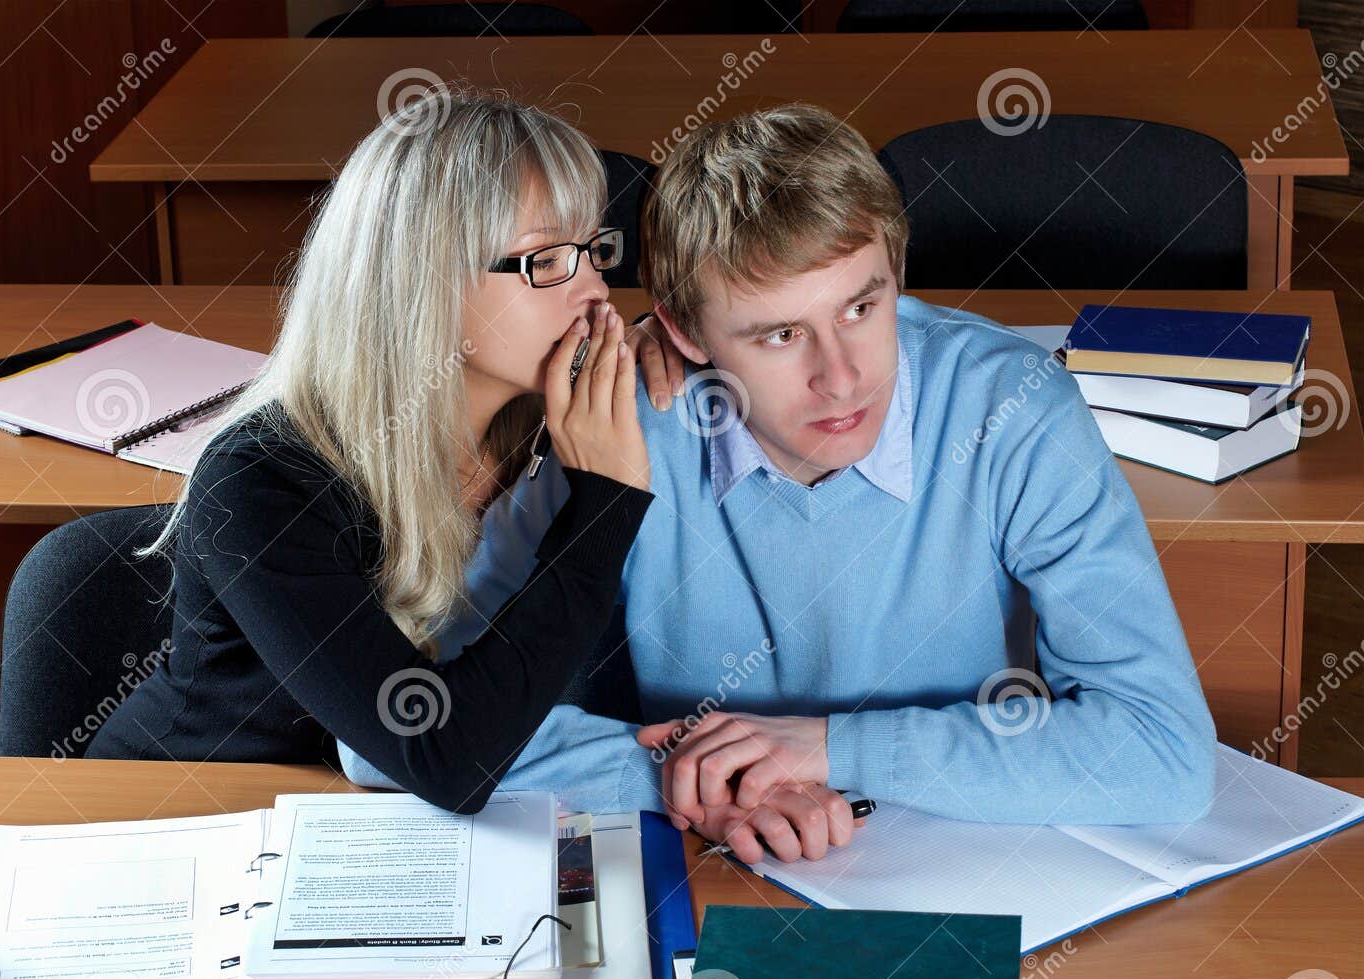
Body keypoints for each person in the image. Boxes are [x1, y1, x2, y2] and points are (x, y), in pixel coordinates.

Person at [340, 103, 1217, 859]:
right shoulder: (625, 421)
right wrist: (697, 777)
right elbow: (394, 737)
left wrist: (830, 751)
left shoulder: (1014, 407)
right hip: (711, 859)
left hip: (972, 859)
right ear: (683, 334)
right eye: (779, 336)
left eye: (862, 307)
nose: (843, 377)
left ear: (897, 275)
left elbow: (1163, 748)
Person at [89, 91, 654, 816]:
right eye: (547, 260)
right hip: (183, 820)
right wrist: (605, 505)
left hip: (371, 825)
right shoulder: (258, 482)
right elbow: (446, 756)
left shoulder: (541, 424)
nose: (596, 292)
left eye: (593, 250)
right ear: (423, 279)